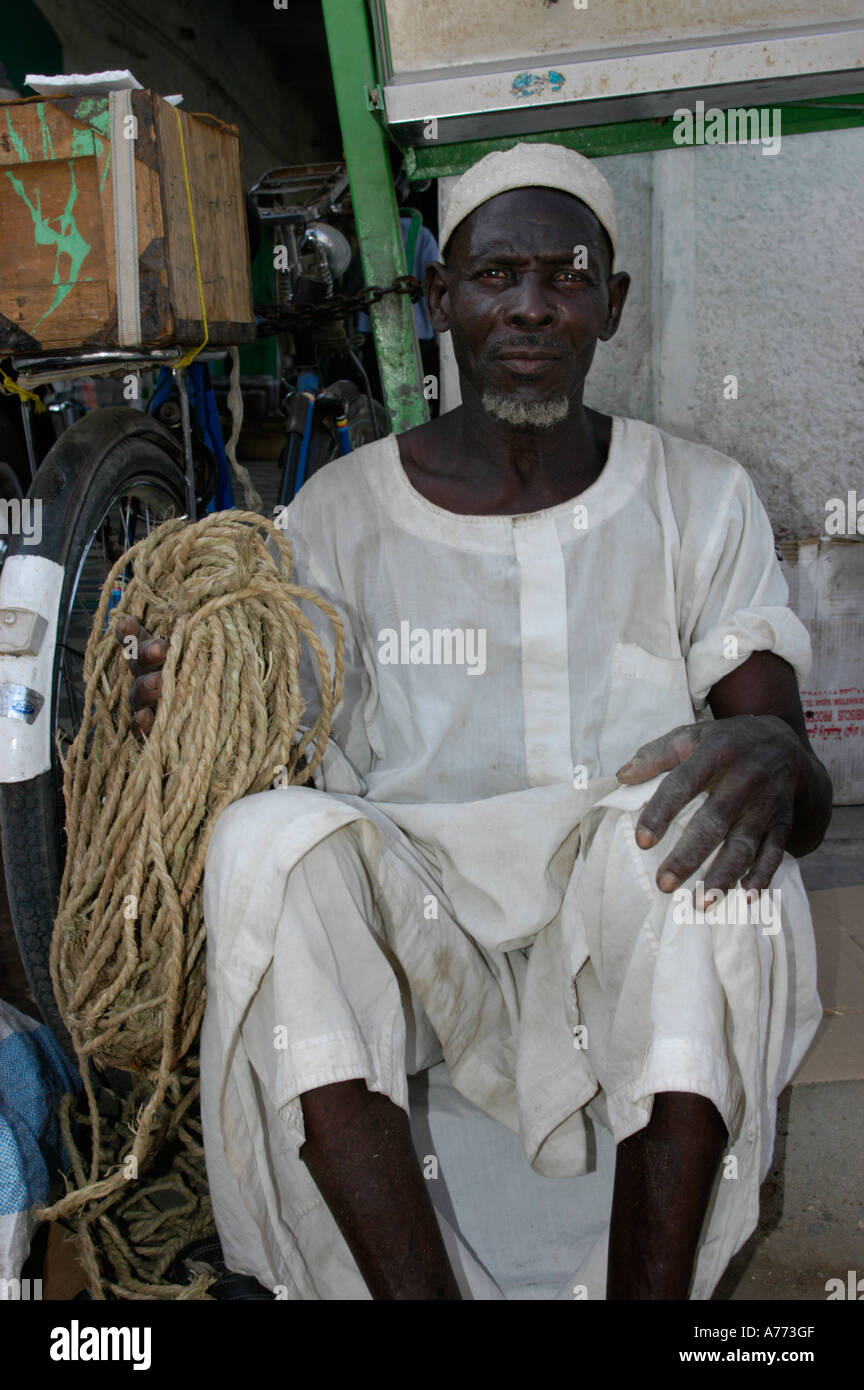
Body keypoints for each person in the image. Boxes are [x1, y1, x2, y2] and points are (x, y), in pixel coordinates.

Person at [117, 143, 831, 1301]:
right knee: (262, 844)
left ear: (614, 301)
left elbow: (791, 787)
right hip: (419, 927)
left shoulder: (700, 496)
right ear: (441, 298)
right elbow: (257, 737)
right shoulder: (335, 513)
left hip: (614, 910)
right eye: (497, 274)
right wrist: (186, 702)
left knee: (719, 859)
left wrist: (773, 754)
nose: (533, 305)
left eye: (566, 272)